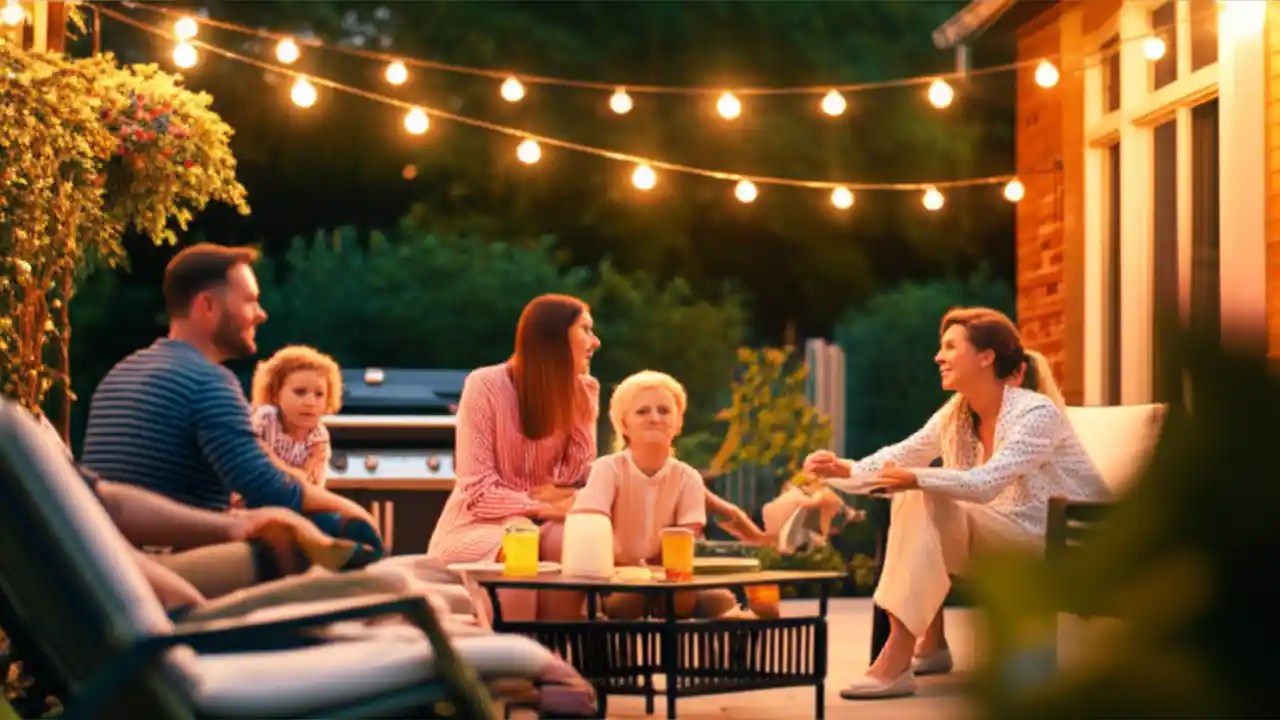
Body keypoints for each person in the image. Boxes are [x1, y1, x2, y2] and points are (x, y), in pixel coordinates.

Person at [805, 307, 1107, 700]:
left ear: (986, 357)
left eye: (950, 347)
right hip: (999, 534)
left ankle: (896, 660)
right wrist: (843, 468)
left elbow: (984, 484)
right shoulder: (957, 413)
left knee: (923, 490)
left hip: (1058, 542)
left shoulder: (1036, 413)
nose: (938, 356)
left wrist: (916, 478)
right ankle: (929, 646)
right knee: (919, 494)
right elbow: (901, 455)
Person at [81, 243, 380, 580]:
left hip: (108, 563)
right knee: (332, 534)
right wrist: (354, 511)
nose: (261, 314)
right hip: (163, 568)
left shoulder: (121, 372)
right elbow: (268, 488)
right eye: (249, 301)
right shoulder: (206, 380)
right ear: (207, 306)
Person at [426, 294, 600, 622]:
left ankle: (559, 646)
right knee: (522, 546)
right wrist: (542, 506)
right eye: (585, 330)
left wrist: (583, 402)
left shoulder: (580, 391)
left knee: (567, 538)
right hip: (475, 527)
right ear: (554, 336)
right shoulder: (485, 385)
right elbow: (479, 493)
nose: (596, 342)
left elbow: (575, 477)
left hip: (538, 524)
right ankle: (516, 649)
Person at [572, 370, 738, 619]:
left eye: (664, 411)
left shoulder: (688, 477)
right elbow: (593, 532)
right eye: (642, 412)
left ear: (678, 423)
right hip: (615, 579)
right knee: (625, 603)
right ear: (623, 424)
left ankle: (702, 644)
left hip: (667, 579)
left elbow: (684, 544)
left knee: (721, 600)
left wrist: (661, 575)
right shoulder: (607, 469)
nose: (654, 418)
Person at [250, 344, 342, 489]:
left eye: (319, 394)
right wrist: (293, 473)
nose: (310, 402)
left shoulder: (319, 437)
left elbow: (312, 486)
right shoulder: (265, 418)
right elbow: (252, 463)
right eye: (300, 392)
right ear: (275, 394)